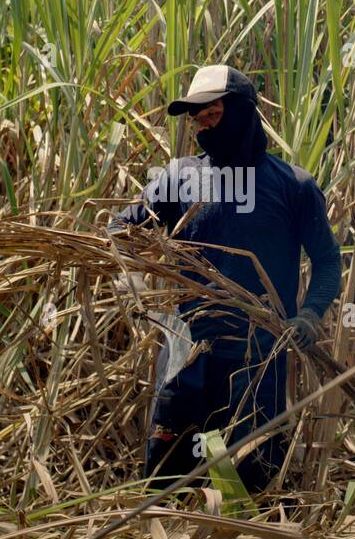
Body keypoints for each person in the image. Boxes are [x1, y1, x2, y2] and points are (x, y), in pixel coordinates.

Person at [109, 64, 341, 492]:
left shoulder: (293, 185)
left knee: (252, 485)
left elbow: (328, 262)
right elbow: (120, 232)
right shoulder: (177, 178)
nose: (202, 128)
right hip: (186, 354)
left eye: (212, 116)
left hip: (259, 359)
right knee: (165, 486)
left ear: (242, 113)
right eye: (196, 120)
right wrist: (137, 291)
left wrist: (309, 316)